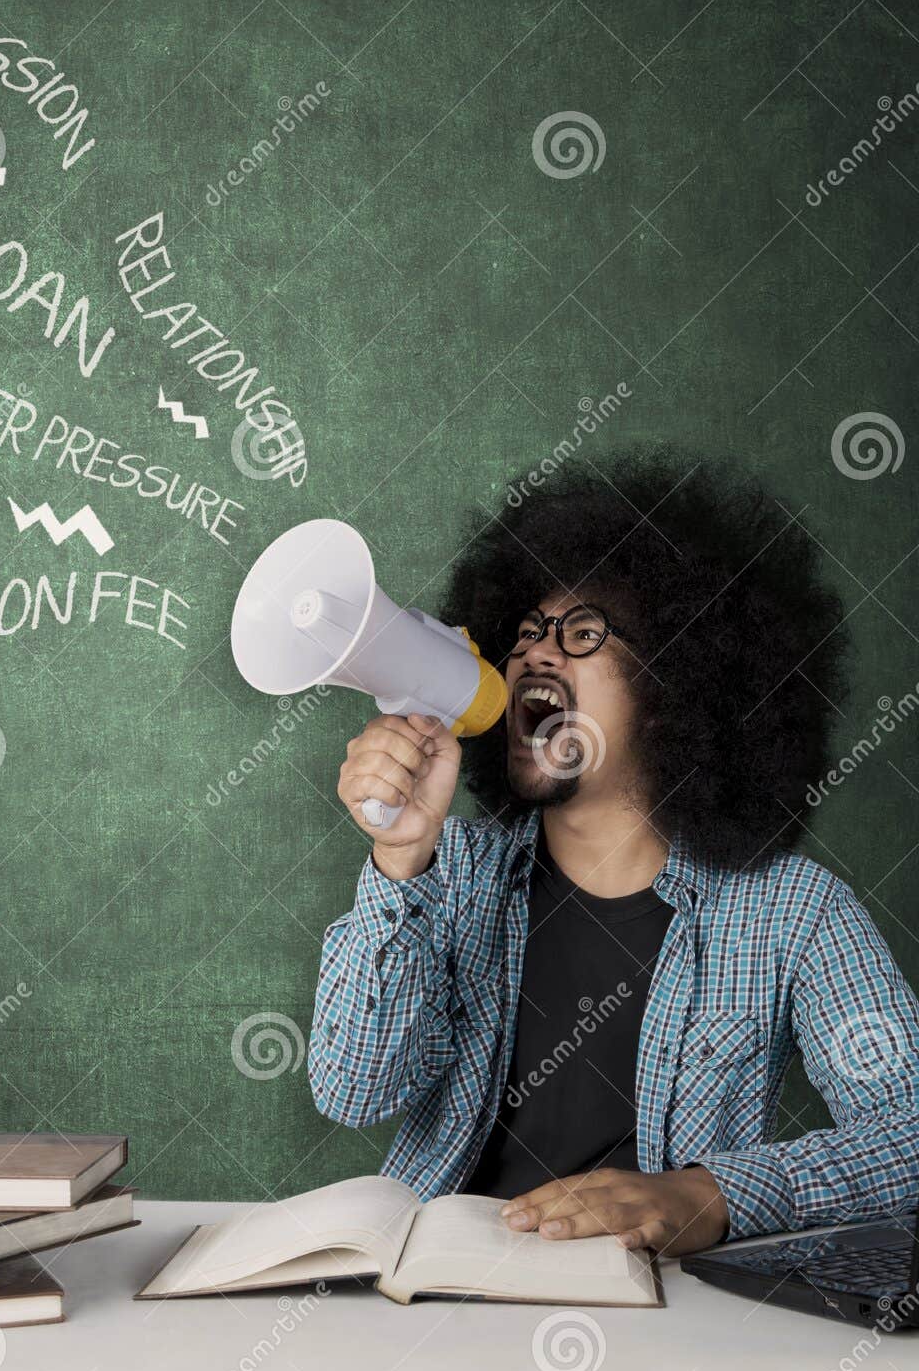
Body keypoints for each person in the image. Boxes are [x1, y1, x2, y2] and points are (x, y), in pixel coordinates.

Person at [310, 447, 919, 1255]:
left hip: (664, 1317)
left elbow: (909, 1136)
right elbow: (354, 1090)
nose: (536, 652)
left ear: (678, 687)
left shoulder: (795, 912)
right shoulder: (444, 871)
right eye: (525, 633)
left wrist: (713, 1193)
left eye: (584, 633)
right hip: (436, 1298)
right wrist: (399, 861)